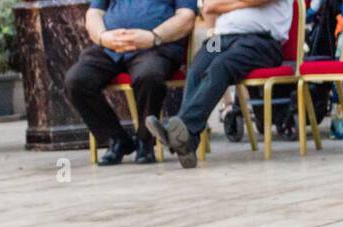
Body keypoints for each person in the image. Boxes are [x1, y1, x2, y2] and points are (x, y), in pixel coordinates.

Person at [147, 0, 295, 167]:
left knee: (221, 66)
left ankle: (182, 130)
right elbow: (210, 6)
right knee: (196, 67)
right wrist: (241, 3)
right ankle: (187, 141)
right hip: (220, 39)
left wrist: (226, 4)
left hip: (260, 39)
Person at [65, 0, 199, 165]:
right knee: (76, 81)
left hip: (155, 47)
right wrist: (102, 37)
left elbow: (186, 17)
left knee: (149, 75)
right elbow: (94, 13)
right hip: (110, 48)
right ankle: (117, 139)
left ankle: (145, 141)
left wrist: (154, 36)